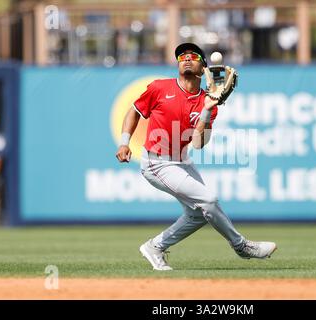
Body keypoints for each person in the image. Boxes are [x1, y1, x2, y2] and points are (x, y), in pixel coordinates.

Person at [116, 43, 276, 271]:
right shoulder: (160, 88)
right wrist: (124, 142)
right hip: (156, 162)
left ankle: (154, 246)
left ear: (204, 69)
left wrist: (208, 109)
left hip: (181, 160)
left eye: (193, 56)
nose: (186, 58)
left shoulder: (208, 102)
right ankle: (241, 246)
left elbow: (199, 143)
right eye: (182, 56)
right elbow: (134, 111)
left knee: (200, 214)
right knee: (209, 201)